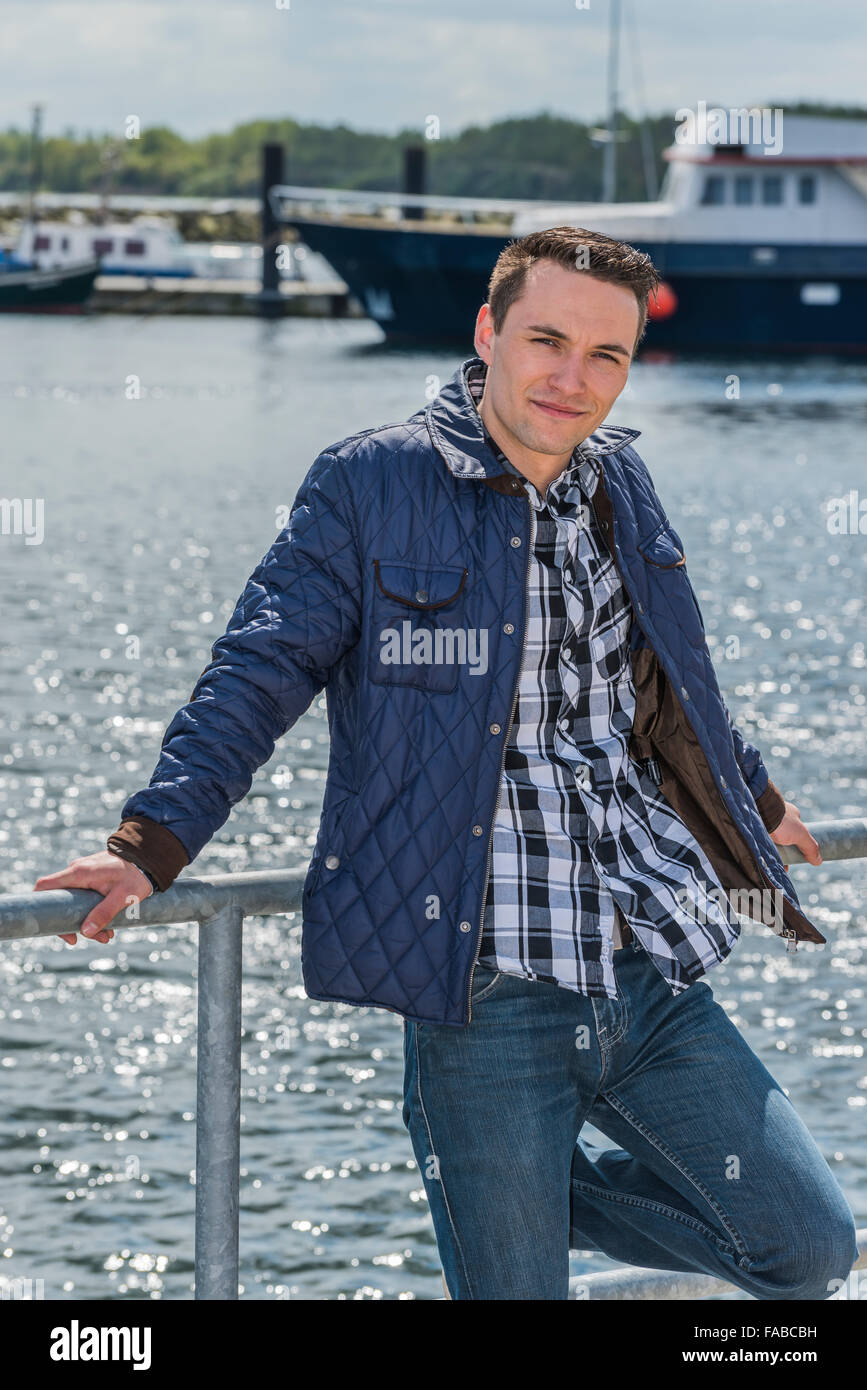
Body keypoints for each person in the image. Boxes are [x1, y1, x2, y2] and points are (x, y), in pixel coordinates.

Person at [35, 225, 858, 1301]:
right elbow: (256, 672)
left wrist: (755, 799)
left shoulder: (623, 485)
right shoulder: (369, 484)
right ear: (488, 331)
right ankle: (497, 1176)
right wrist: (149, 844)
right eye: (547, 340)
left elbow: (674, 678)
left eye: (605, 355)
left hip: (642, 964)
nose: (572, 379)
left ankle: (517, 1186)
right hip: (485, 989)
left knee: (806, 1247)